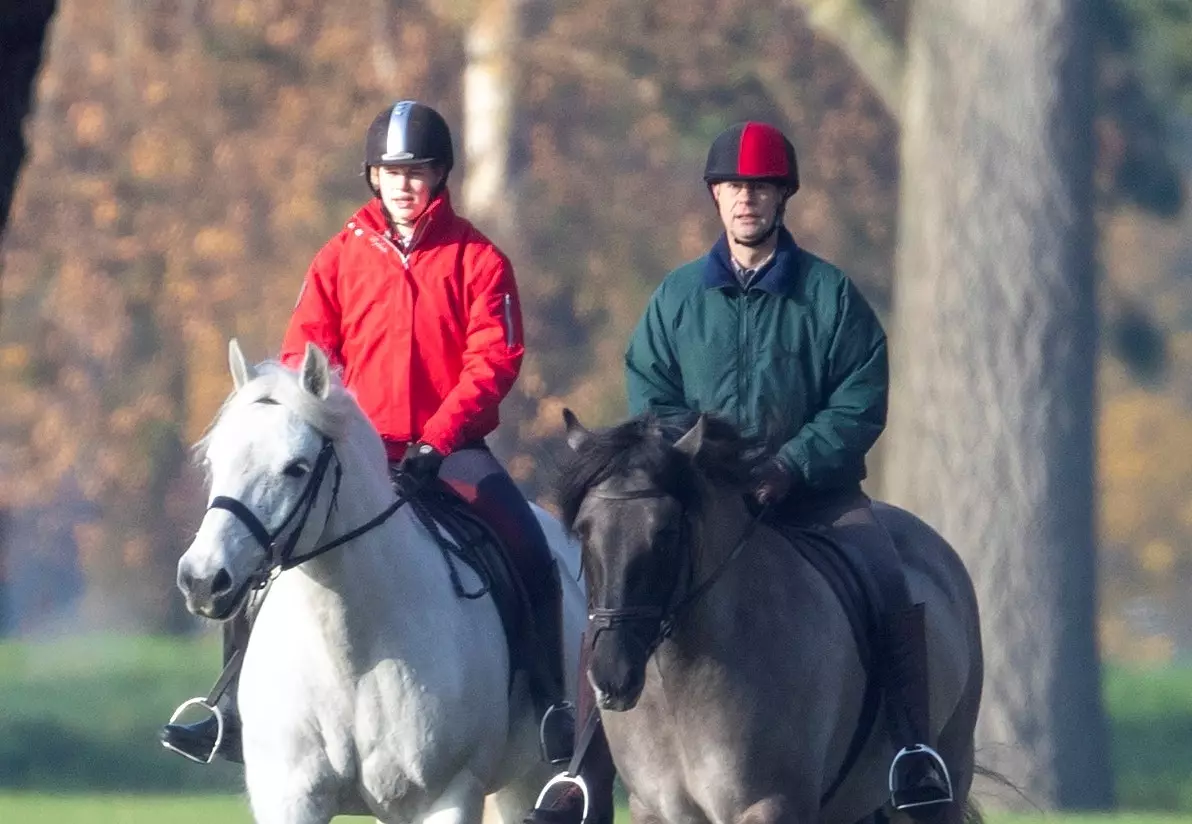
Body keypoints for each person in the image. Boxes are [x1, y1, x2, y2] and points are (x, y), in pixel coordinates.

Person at [527, 121, 951, 823]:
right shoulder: (676, 298)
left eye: (759, 187)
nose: (745, 199)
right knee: (620, 585)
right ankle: (582, 771)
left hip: (815, 500)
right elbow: (651, 391)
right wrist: (687, 464)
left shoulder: (830, 296)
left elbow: (860, 397)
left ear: (782, 196)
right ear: (715, 198)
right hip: (702, 502)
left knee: (885, 576)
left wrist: (792, 465)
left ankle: (911, 755)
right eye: (731, 187)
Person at [160, 100, 574, 768]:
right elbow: (304, 357)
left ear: (441, 176)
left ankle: (552, 704)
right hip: (352, 452)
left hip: (450, 450)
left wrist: (436, 441)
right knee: (260, 545)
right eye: (391, 171)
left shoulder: (479, 260)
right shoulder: (338, 258)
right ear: (372, 177)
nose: (404, 184)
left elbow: (493, 361)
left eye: (418, 171)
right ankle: (228, 708)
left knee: (526, 542)